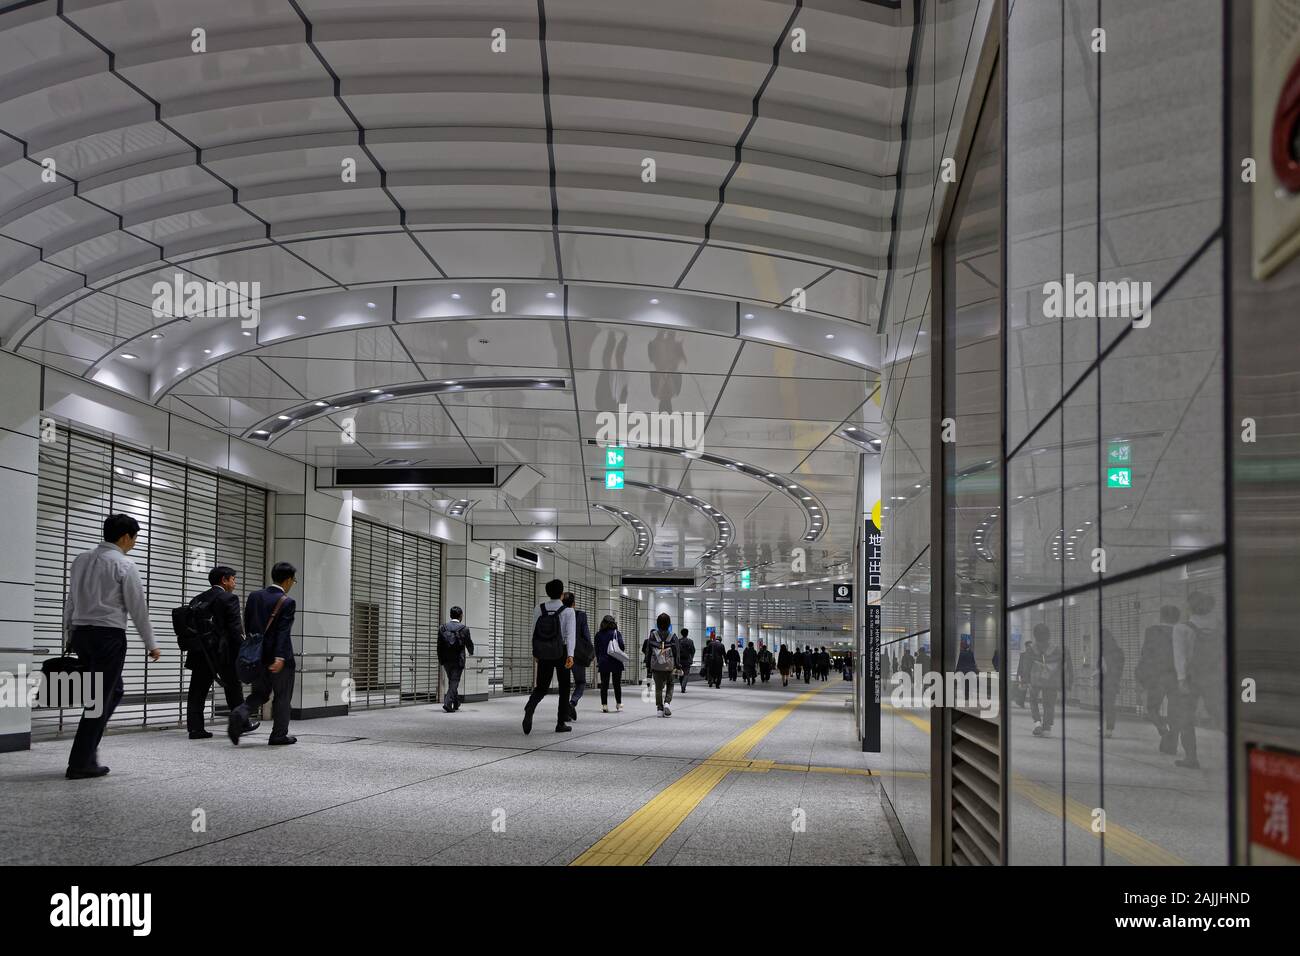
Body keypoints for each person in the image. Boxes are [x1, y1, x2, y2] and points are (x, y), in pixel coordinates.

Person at [63, 514, 162, 779]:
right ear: (125, 537)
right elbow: (137, 608)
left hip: (81, 633)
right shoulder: (124, 565)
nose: (135, 543)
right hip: (108, 636)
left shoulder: (81, 560)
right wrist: (151, 643)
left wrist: (69, 634)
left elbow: (70, 600)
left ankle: (89, 750)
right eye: (135, 537)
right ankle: (81, 761)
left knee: (113, 690)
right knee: (100, 698)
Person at [228, 562, 298, 746]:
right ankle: (278, 735)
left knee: (260, 693)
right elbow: (283, 631)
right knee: (282, 697)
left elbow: (248, 623)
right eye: (293, 581)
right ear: (288, 580)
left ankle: (239, 713)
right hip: (278, 659)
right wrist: (280, 657)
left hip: (257, 656)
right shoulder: (287, 602)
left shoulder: (254, 596)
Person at [185, 565, 258, 740]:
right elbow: (235, 629)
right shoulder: (229, 599)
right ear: (224, 580)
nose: (234, 582)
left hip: (200, 652)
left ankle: (195, 729)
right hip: (223, 654)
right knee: (233, 688)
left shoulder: (197, 599)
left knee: (197, 690)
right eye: (233, 579)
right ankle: (242, 723)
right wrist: (244, 650)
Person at [1171, 592, 1219, 769]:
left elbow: (1180, 656)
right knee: (1220, 715)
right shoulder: (1221, 626)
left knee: (1185, 717)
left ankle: (1191, 758)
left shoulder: (1182, 628)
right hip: (1215, 677)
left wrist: (1181, 679)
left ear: (1190, 607)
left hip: (1192, 678)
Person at [523, 579, 576, 735]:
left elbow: (534, 632)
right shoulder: (568, 611)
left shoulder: (539, 609)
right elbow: (570, 635)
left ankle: (530, 707)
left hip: (544, 652)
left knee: (541, 687)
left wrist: (536, 652)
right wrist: (571, 655)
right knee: (564, 688)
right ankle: (560, 723)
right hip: (562, 652)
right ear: (562, 594)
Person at [1134, 606, 1178, 752]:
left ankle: (1163, 731)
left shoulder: (1152, 631)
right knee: (1174, 712)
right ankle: (1171, 745)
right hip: (1177, 677)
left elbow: (1146, 654)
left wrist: (1140, 673)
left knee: (1152, 708)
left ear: (1162, 616)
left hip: (1157, 677)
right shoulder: (1182, 631)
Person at [1028, 624, 1072, 737]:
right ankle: (1047, 728)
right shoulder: (1057, 649)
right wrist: (1068, 681)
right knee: (1049, 704)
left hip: (1036, 679)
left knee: (1033, 700)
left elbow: (1026, 666)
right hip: (1052, 680)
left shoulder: (1031, 649)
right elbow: (1066, 666)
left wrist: (1024, 680)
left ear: (1035, 635)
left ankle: (1037, 723)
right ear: (1048, 635)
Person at [437, 605, 474, 713]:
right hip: (458, 660)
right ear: (461, 615)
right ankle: (448, 703)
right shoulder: (464, 629)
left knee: (452, 681)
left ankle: (456, 702)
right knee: (454, 681)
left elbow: (439, 645)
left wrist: (440, 659)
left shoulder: (442, 628)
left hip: (446, 660)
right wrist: (471, 652)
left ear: (450, 615)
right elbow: (469, 643)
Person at [563, 592, 594, 720]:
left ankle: (564, 712)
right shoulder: (580, 615)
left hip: (562, 653)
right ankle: (572, 702)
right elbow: (586, 635)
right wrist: (590, 651)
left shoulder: (559, 614)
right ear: (574, 604)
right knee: (580, 682)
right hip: (577, 654)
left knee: (564, 684)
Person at [644, 613, 679, 716]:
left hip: (656, 665)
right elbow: (677, 651)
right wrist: (677, 664)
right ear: (669, 624)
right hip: (669, 665)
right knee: (670, 684)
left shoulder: (653, 635)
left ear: (657, 623)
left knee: (658, 687)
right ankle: (667, 703)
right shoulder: (673, 636)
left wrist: (648, 664)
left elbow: (648, 651)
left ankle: (659, 709)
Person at [1096, 627, 1125, 739]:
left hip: (1105, 681)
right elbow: (1120, 668)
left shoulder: (1104, 652)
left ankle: (1106, 727)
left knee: (1105, 705)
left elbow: (1100, 667)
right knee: (1110, 705)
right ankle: (1109, 728)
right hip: (1113, 681)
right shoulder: (1119, 651)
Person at [595, 614, 626, 712]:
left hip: (604, 661)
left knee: (604, 684)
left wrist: (599, 660)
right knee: (617, 684)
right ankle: (618, 703)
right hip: (616, 660)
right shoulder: (617, 633)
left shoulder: (598, 635)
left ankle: (604, 705)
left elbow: (596, 650)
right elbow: (622, 647)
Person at [677, 626, 695, 694]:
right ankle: (683, 687)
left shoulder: (678, 641)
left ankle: (682, 685)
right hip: (687, 660)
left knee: (681, 674)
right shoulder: (690, 641)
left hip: (680, 660)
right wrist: (691, 658)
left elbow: (676, 650)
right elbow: (693, 650)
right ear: (687, 633)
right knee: (686, 674)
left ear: (681, 633)